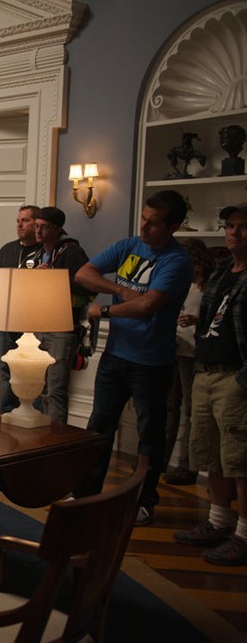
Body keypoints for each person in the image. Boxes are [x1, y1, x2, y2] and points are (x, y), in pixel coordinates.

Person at [73, 190, 193, 526]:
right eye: (143, 218)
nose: (144, 228)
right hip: (115, 356)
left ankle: (144, 501)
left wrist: (106, 309)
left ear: (173, 226)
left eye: (153, 223)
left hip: (151, 362)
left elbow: (148, 306)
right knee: (98, 428)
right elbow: (84, 273)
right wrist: (121, 289)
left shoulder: (176, 261)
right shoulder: (129, 246)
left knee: (149, 436)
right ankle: (86, 497)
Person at [173, 203, 247, 566]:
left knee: (240, 459)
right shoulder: (221, 273)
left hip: (235, 376)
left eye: (242, 227)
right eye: (230, 225)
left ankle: (244, 535)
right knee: (212, 454)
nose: (234, 232)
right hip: (206, 369)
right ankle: (218, 522)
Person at [31, 206, 92, 423]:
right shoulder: (38, 252)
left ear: (58, 229)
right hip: (40, 323)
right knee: (39, 387)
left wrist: (54, 277)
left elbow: (88, 285)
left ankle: (55, 441)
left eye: (44, 227)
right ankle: (40, 434)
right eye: (36, 226)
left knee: (55, 389)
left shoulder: (71, 251)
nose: (38, 232)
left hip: (61, 327)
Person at [163, 238, 214, 485]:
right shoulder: (178, 283)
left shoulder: (208, 287)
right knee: (170, 406)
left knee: (191, 410)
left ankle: (188, 464)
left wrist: (195, 319)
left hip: (194, 352)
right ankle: (162, 459)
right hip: (172, 347)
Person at [0, 205, 42, 412]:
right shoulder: (8, 250)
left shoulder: (45, 251)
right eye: (18, 221)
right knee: (7, 370)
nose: (20, 225)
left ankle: (33, 414)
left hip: (34, 322)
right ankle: (7, 415)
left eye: (26, 220)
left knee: (34, 372)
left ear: (37, 224)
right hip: (6, 319)